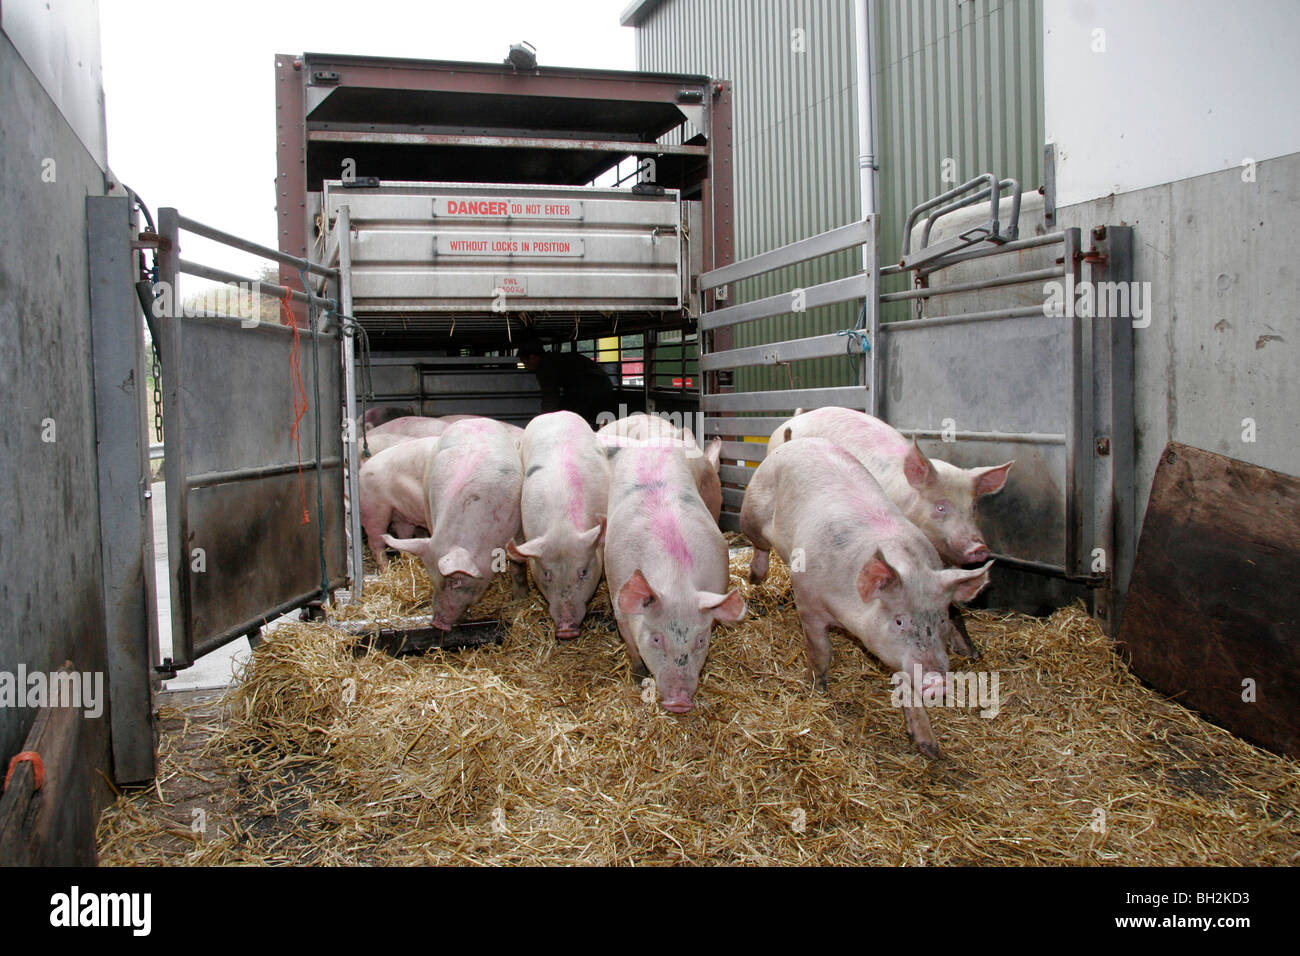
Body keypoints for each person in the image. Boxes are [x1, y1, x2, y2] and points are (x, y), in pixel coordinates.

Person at [516, 341, 616, 429]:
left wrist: (543, 423)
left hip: (591, 387)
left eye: (525, 363)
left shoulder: (545, 366)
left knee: (568, 414)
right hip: (602, 386)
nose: (527, 367)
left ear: (533, 358)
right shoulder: (555, 359)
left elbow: (550, 397)